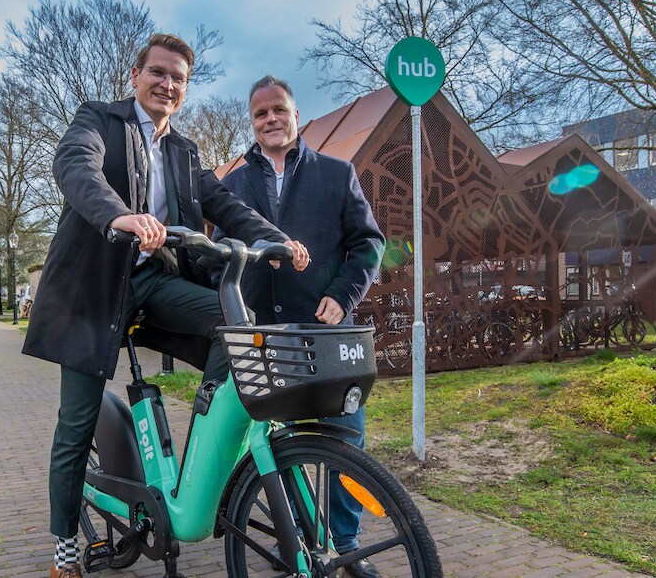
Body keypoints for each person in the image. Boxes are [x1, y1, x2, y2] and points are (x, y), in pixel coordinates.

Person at [23, 36, 309, 578]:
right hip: (93, 291)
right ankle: (63, 544)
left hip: (153, 282)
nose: (167, 84)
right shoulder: (99, 121)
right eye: (158, 73)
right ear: (135, 76)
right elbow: (75, 166)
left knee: (237, 329)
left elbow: (222, 202)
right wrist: (119, 216)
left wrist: (278, 240)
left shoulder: (183, 150)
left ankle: (204, 427)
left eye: (178, 78)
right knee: (77, 421)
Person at [215, 75, 386, 578]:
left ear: (295, 114)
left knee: (345, 444)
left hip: (326, 334)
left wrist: (343, 294)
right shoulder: (233, 185)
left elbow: (369, 244)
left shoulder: (337, 174)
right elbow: (221, 255)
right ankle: (299, 545)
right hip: (264, 338)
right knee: (275, 443)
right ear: (252, 121)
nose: (270, 120)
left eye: (278, 111)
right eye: (260, 114)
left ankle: (347, 547)